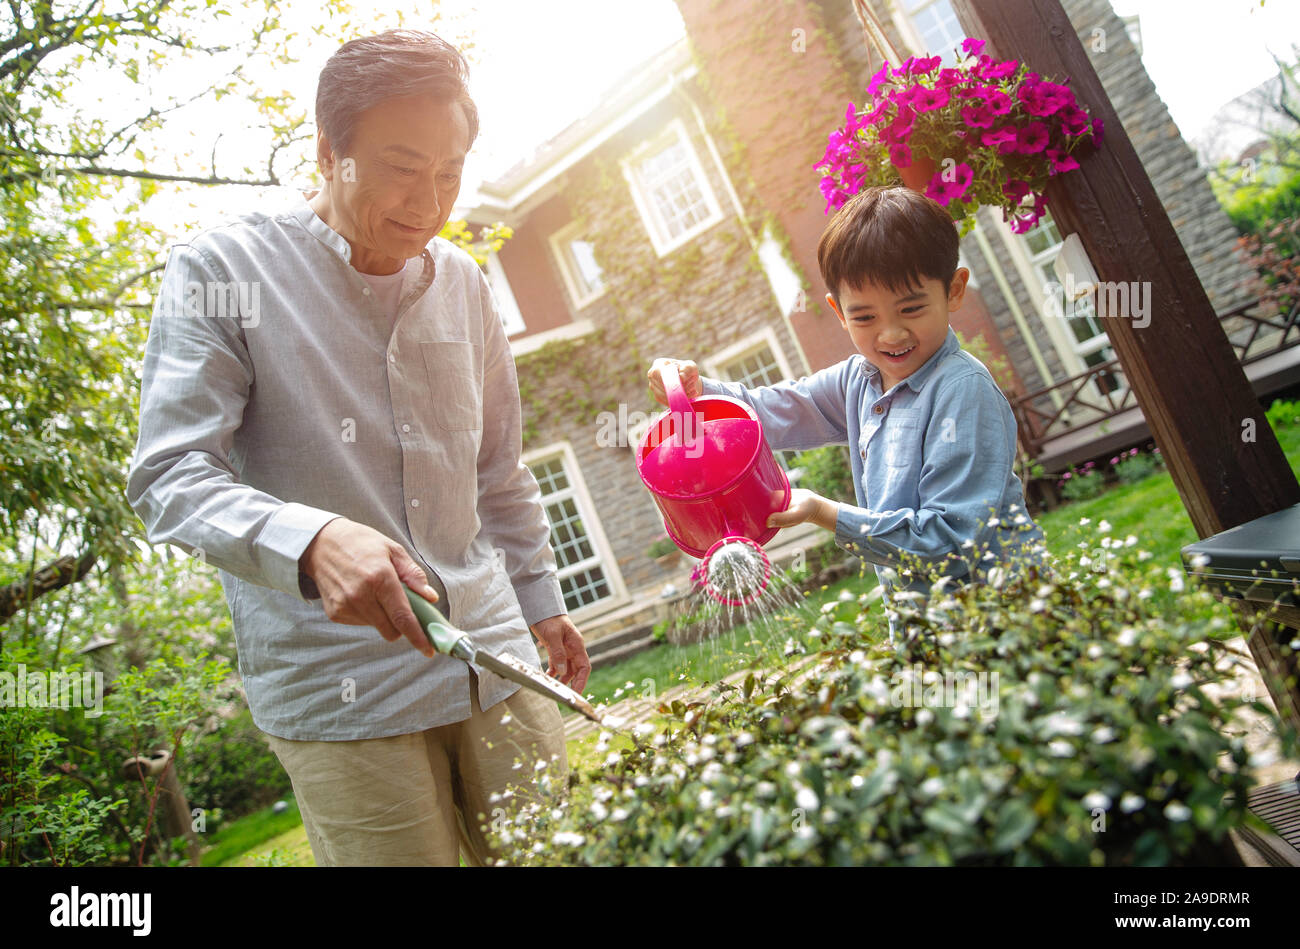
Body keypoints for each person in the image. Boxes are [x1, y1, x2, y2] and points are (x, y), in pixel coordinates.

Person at [127, 29, 589, 866]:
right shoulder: (222, 270)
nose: (430, 200)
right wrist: (308, 538)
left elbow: (498, 471)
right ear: (327, 151)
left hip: (495, 657)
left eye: (449, 172)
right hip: (343, 697)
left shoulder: (466, 285)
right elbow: (169, 474)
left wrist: (542, 600)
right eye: (403, 166)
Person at [647, 186, 1049, 640]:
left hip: (1003, 625)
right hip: (925, 630)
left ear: (954, 290)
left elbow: (951, 542)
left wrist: (825, 512)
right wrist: (701, 392)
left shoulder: (961, 392)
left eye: (912, 308)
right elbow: (771, 412)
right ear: (838, 312)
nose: (891, 333)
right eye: (865, 318)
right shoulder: (859, 380)